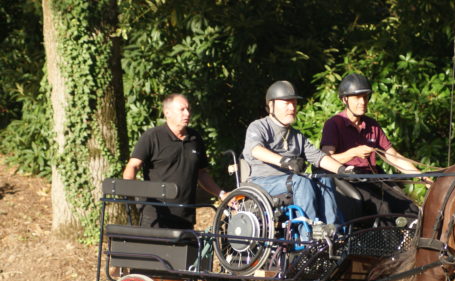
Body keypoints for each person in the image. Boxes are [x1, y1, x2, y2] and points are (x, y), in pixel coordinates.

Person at [243, 80, 352, 228]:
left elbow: (319, 157)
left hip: (290, 181)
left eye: (294, 103)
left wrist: (343, 170)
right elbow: (256, 150)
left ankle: (331, 231)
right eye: (286, 103)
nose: (292, 107)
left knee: (324, 178)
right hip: (262, 182)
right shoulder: (259, 126)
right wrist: (285, 161)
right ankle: (307, 237)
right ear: (271, 105)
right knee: (301, 181)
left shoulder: (297, 135)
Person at [320, 73, 421, 218]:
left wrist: (424, 178)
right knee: (384, 208)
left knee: (410, 207)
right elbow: (325, 159)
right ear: (344, 99)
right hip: (349, 181)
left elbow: (395, 157)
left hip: (373, 178)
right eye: (357, 97)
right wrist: (354, 152)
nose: (362, 102)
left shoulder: (372, 124)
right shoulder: (334, 123)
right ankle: (389, 240)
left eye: (365, 97)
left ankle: (412, 239)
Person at [123, 93, 226, 229]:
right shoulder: (152, 136)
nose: (187, 113)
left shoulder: (195, 138)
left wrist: (222, 194)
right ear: (167, 113)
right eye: (182, 110)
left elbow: (201, 174)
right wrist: (131, 189)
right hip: (156, 217)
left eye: (188, 109)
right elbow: (133, 166)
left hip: (185, 216)